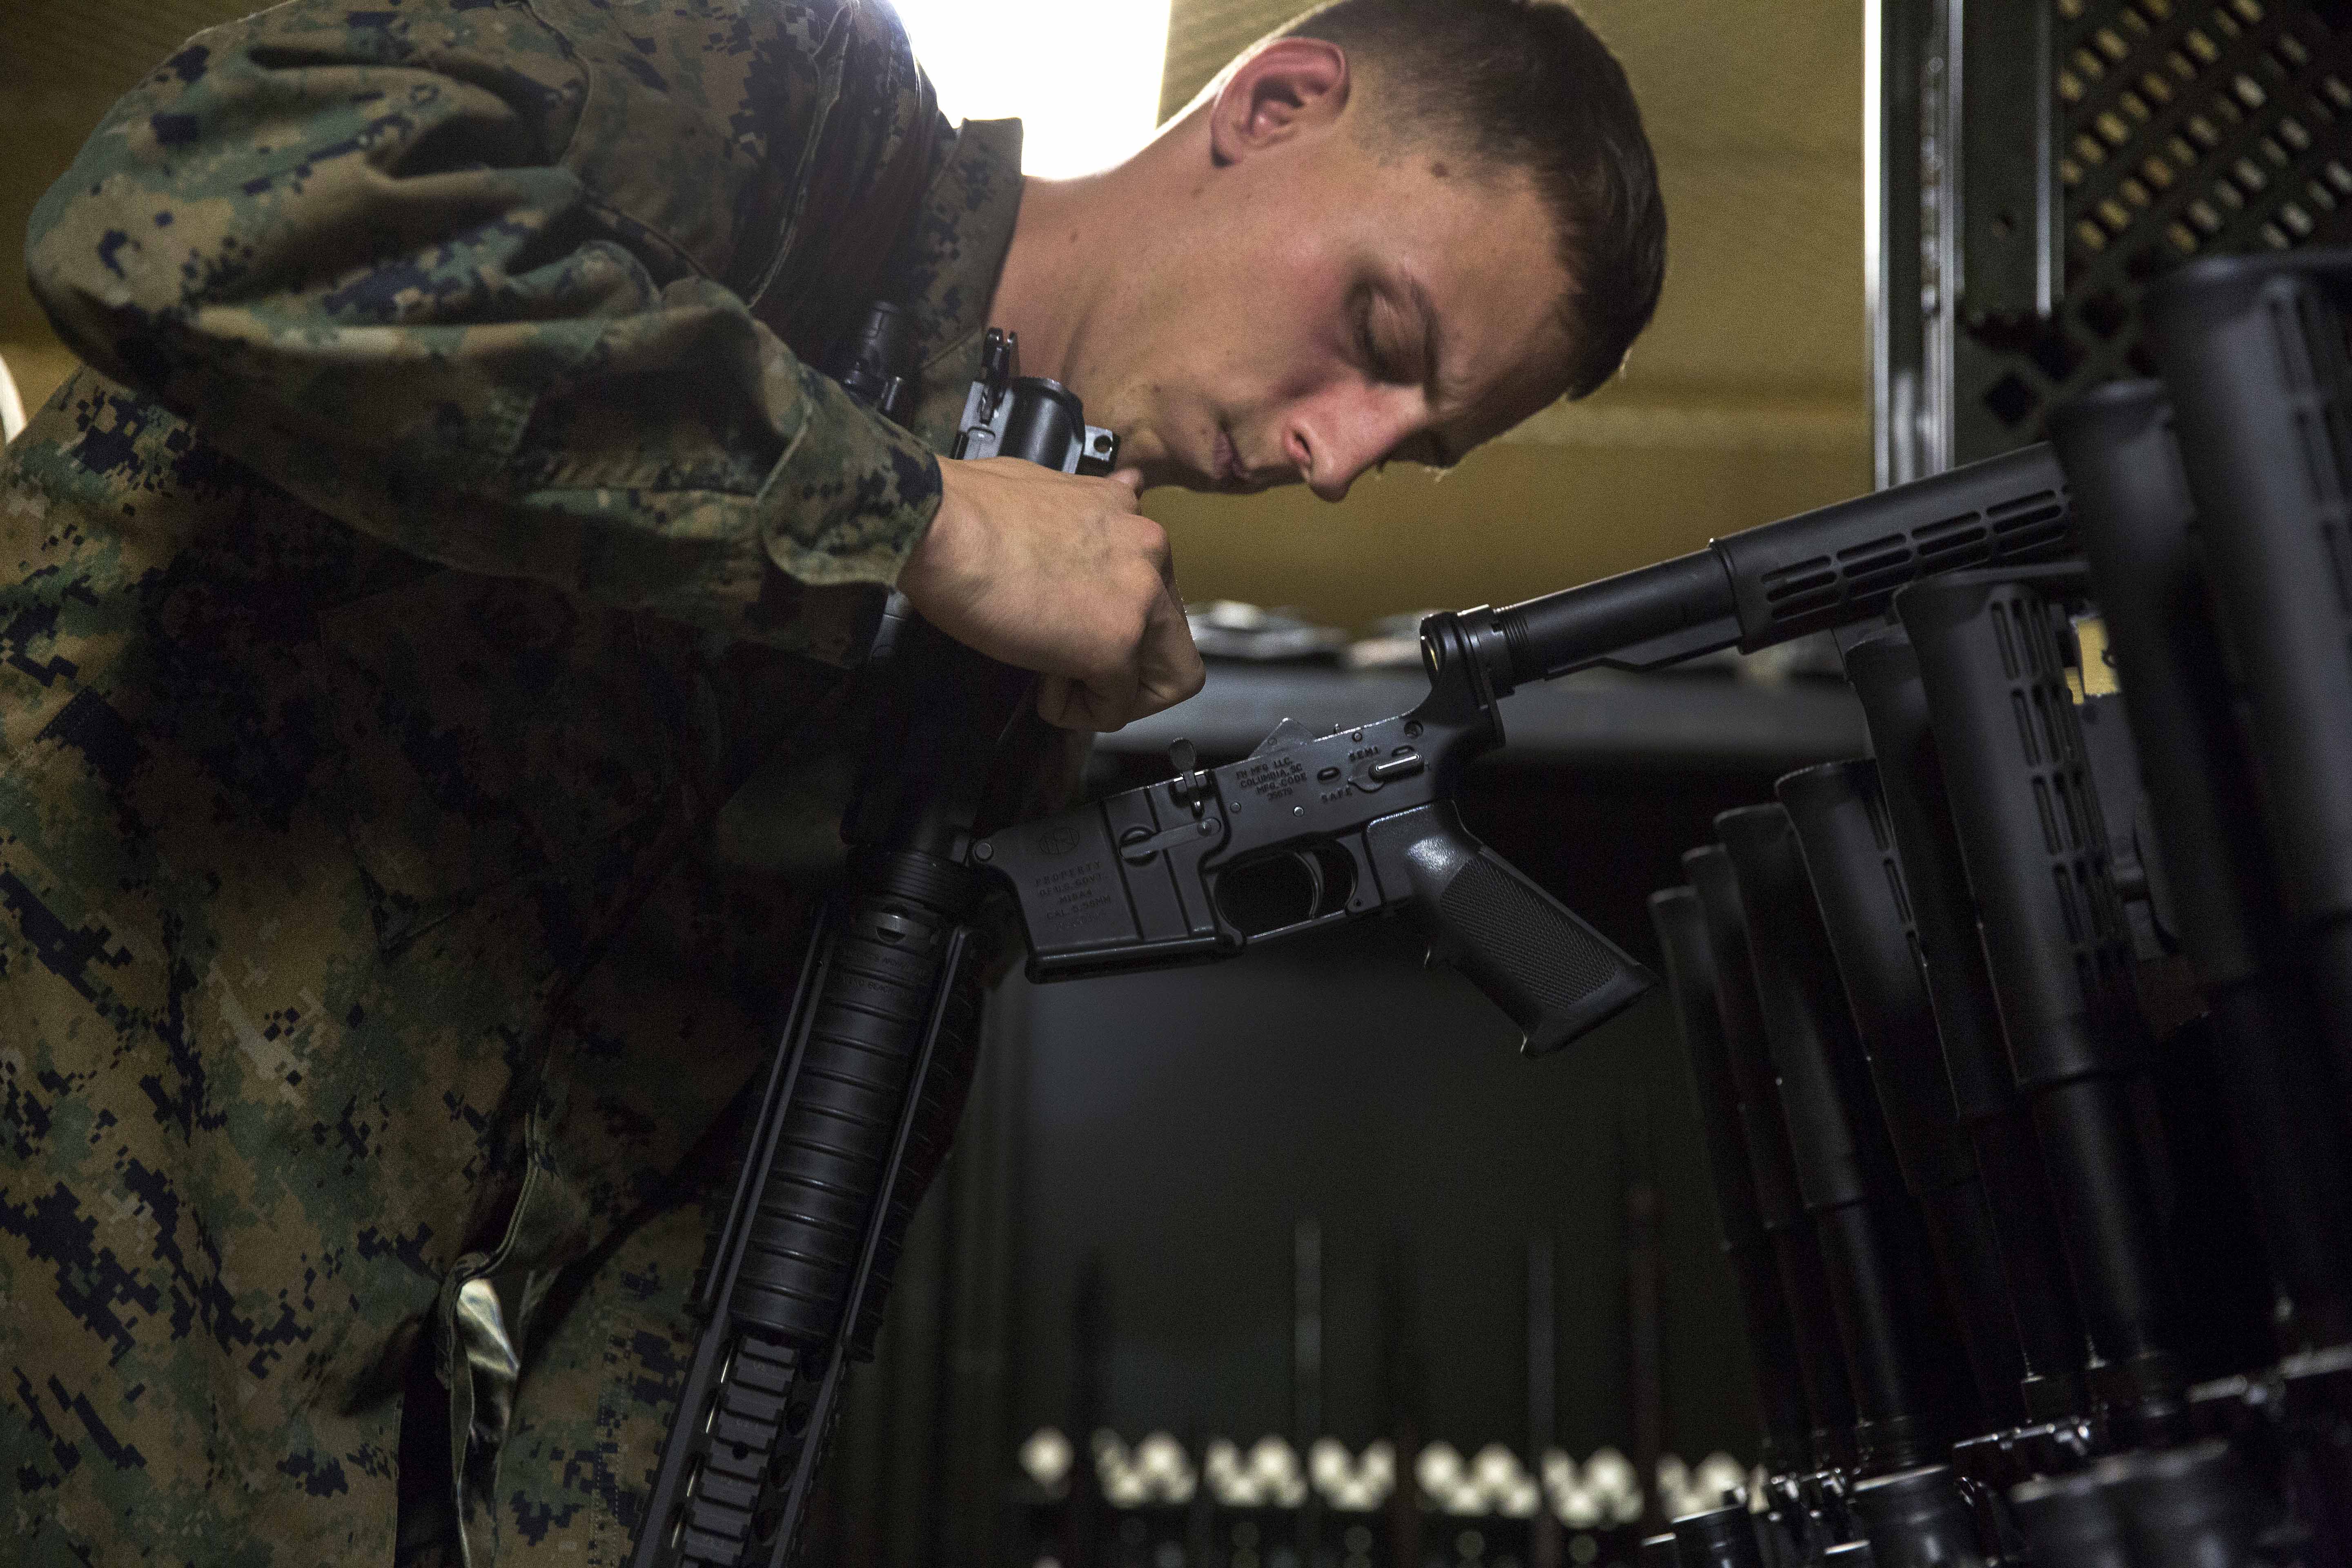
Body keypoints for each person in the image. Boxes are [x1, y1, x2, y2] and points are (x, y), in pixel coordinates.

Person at [0, 0, 1663, 1560]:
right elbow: (188, 212)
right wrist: (910, 524)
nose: (1340, 458)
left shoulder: (999, 687)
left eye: (1414, 441)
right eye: (1378, 331)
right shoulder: (804, 119)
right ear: (1275, 106)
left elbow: (690, 1241)